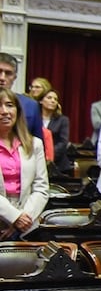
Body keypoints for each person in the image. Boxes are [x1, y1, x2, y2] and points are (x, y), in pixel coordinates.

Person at [0, 88, 49, 240]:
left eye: (9, 105)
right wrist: (13, 216)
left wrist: (23, 218)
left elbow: (41, 188)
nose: (4, 111)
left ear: (18, 110)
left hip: (27, 224)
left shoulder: (35, 144)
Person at [0, 54, 43, 140]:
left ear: (14, 77)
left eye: (8, 73)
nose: (2, 77)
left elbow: (37, 145)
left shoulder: (30, 106)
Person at [40, 89, 72, 175]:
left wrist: (48, 157)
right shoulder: (34, 118)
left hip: (58, 164)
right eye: (49, 98)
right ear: (41, 100)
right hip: (37, 160)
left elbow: (63, 142)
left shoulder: (63, 120)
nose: (53, 101)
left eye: (55, 99)